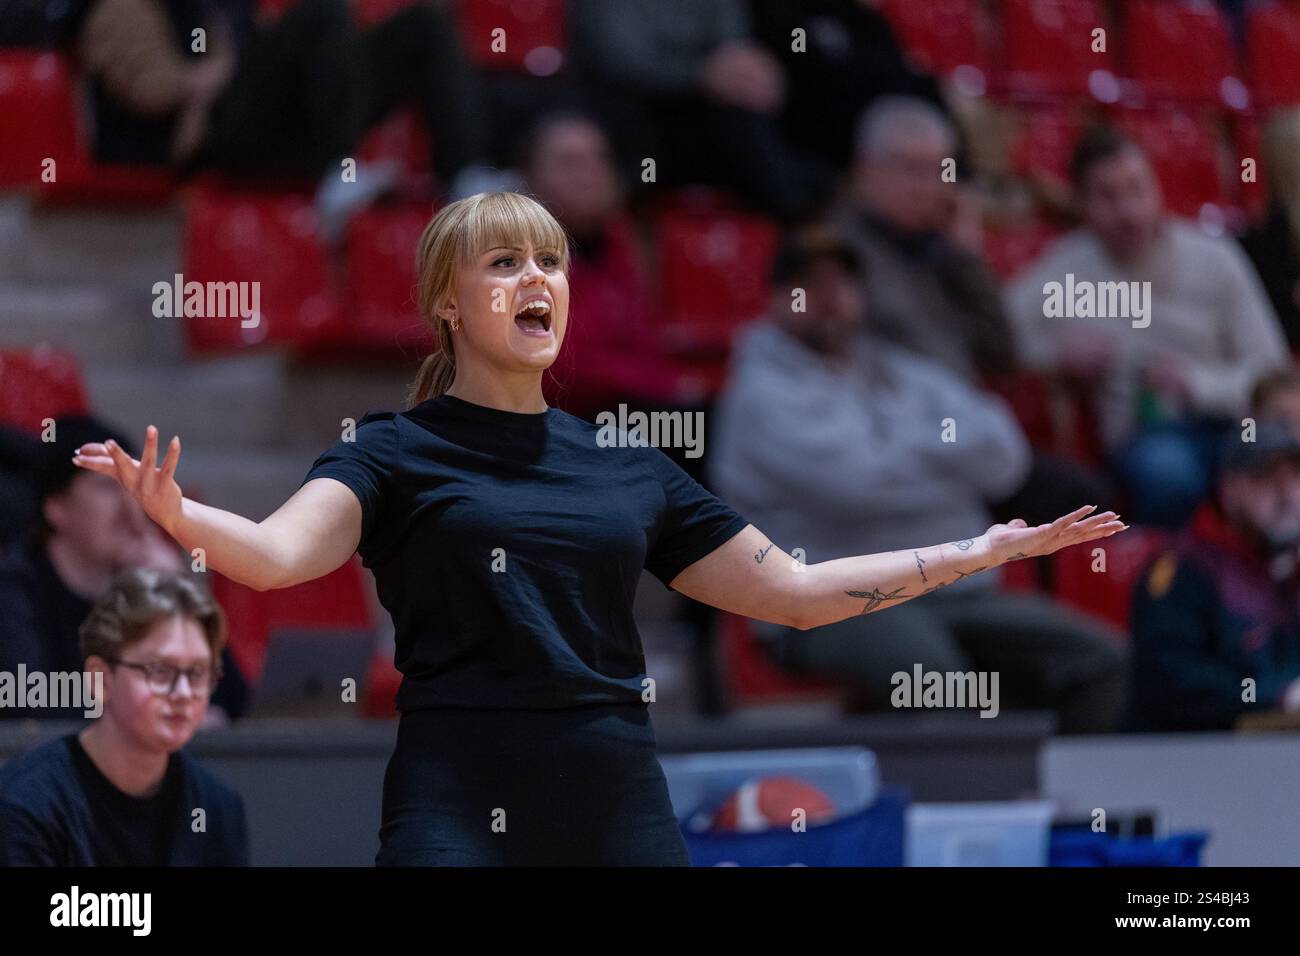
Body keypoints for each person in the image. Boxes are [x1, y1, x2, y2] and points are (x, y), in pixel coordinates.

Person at [70, 191, 1124, 866]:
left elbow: (796, 594)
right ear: (447, 301)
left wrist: (974, 553)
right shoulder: (391, 450)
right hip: (454, 791)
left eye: (553, 261)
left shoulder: (630, 467)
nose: (539, 280)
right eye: (504, 264)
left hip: (613, 790)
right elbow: (280, 555)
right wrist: (181, 513)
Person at [710, 225, 1129, 733]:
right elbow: (856, 488)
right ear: (778, 298)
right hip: (828, 600)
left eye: (841, 284)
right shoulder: (760, 393)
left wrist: (893, 452)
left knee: (1103, 661)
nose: (828, 299)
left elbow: (1004, 458)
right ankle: (964, 810)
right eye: (809, 285)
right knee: (940, 684)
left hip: (956, 589)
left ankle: (1059, 809)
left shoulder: (900, 371)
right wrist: (948, 465)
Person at [1007, 127, 1288, 528]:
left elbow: (1271, 371)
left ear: (1156, 189)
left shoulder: (1215, 256)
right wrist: (1056, 356)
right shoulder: (1067, 266)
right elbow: (993, 336)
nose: (1128, 211)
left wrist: (1196, 382)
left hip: (1238, 423)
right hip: (1146, 435)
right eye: (1108, 196)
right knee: (1169, 474)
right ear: (1082, 203)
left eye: (1136, 190)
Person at [0, 415, 248, 722]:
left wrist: (179, 596)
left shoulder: (143, 585)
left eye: (133, 488)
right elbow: (30, 704)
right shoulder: (12, 591)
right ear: (56, 508)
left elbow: (233, 702)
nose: (130, 508)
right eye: (107, 486)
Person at [0, 568, 249, 865]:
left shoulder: (216, 808)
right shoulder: (27, 803)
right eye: (160, 670)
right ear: (101, 680)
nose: (183, 692)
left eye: (196, 673)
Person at [567, 0, 832, 223]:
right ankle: (799, 207)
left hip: (705, 106)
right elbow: (623, 60)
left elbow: (734, 43)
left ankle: (806, 199)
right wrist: (702, 74)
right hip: (634, 105)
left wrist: (747, 72)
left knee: (776, 90)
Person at [829, 95, 1018, 385]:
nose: (929, 188)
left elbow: (1002, 356)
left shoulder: (945, 251)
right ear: (867, 170)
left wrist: (967, 260)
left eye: (940, 172)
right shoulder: (836, 254)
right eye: (913, 170)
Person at [1129, 423, 1300, 731]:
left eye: (1296, 477)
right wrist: (1277, 697)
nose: (1288, 494)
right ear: (1229, 490)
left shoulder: (1290, 570)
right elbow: (1169, 680)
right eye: (1266, 479)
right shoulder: (1183, 568)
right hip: (1179, 761)